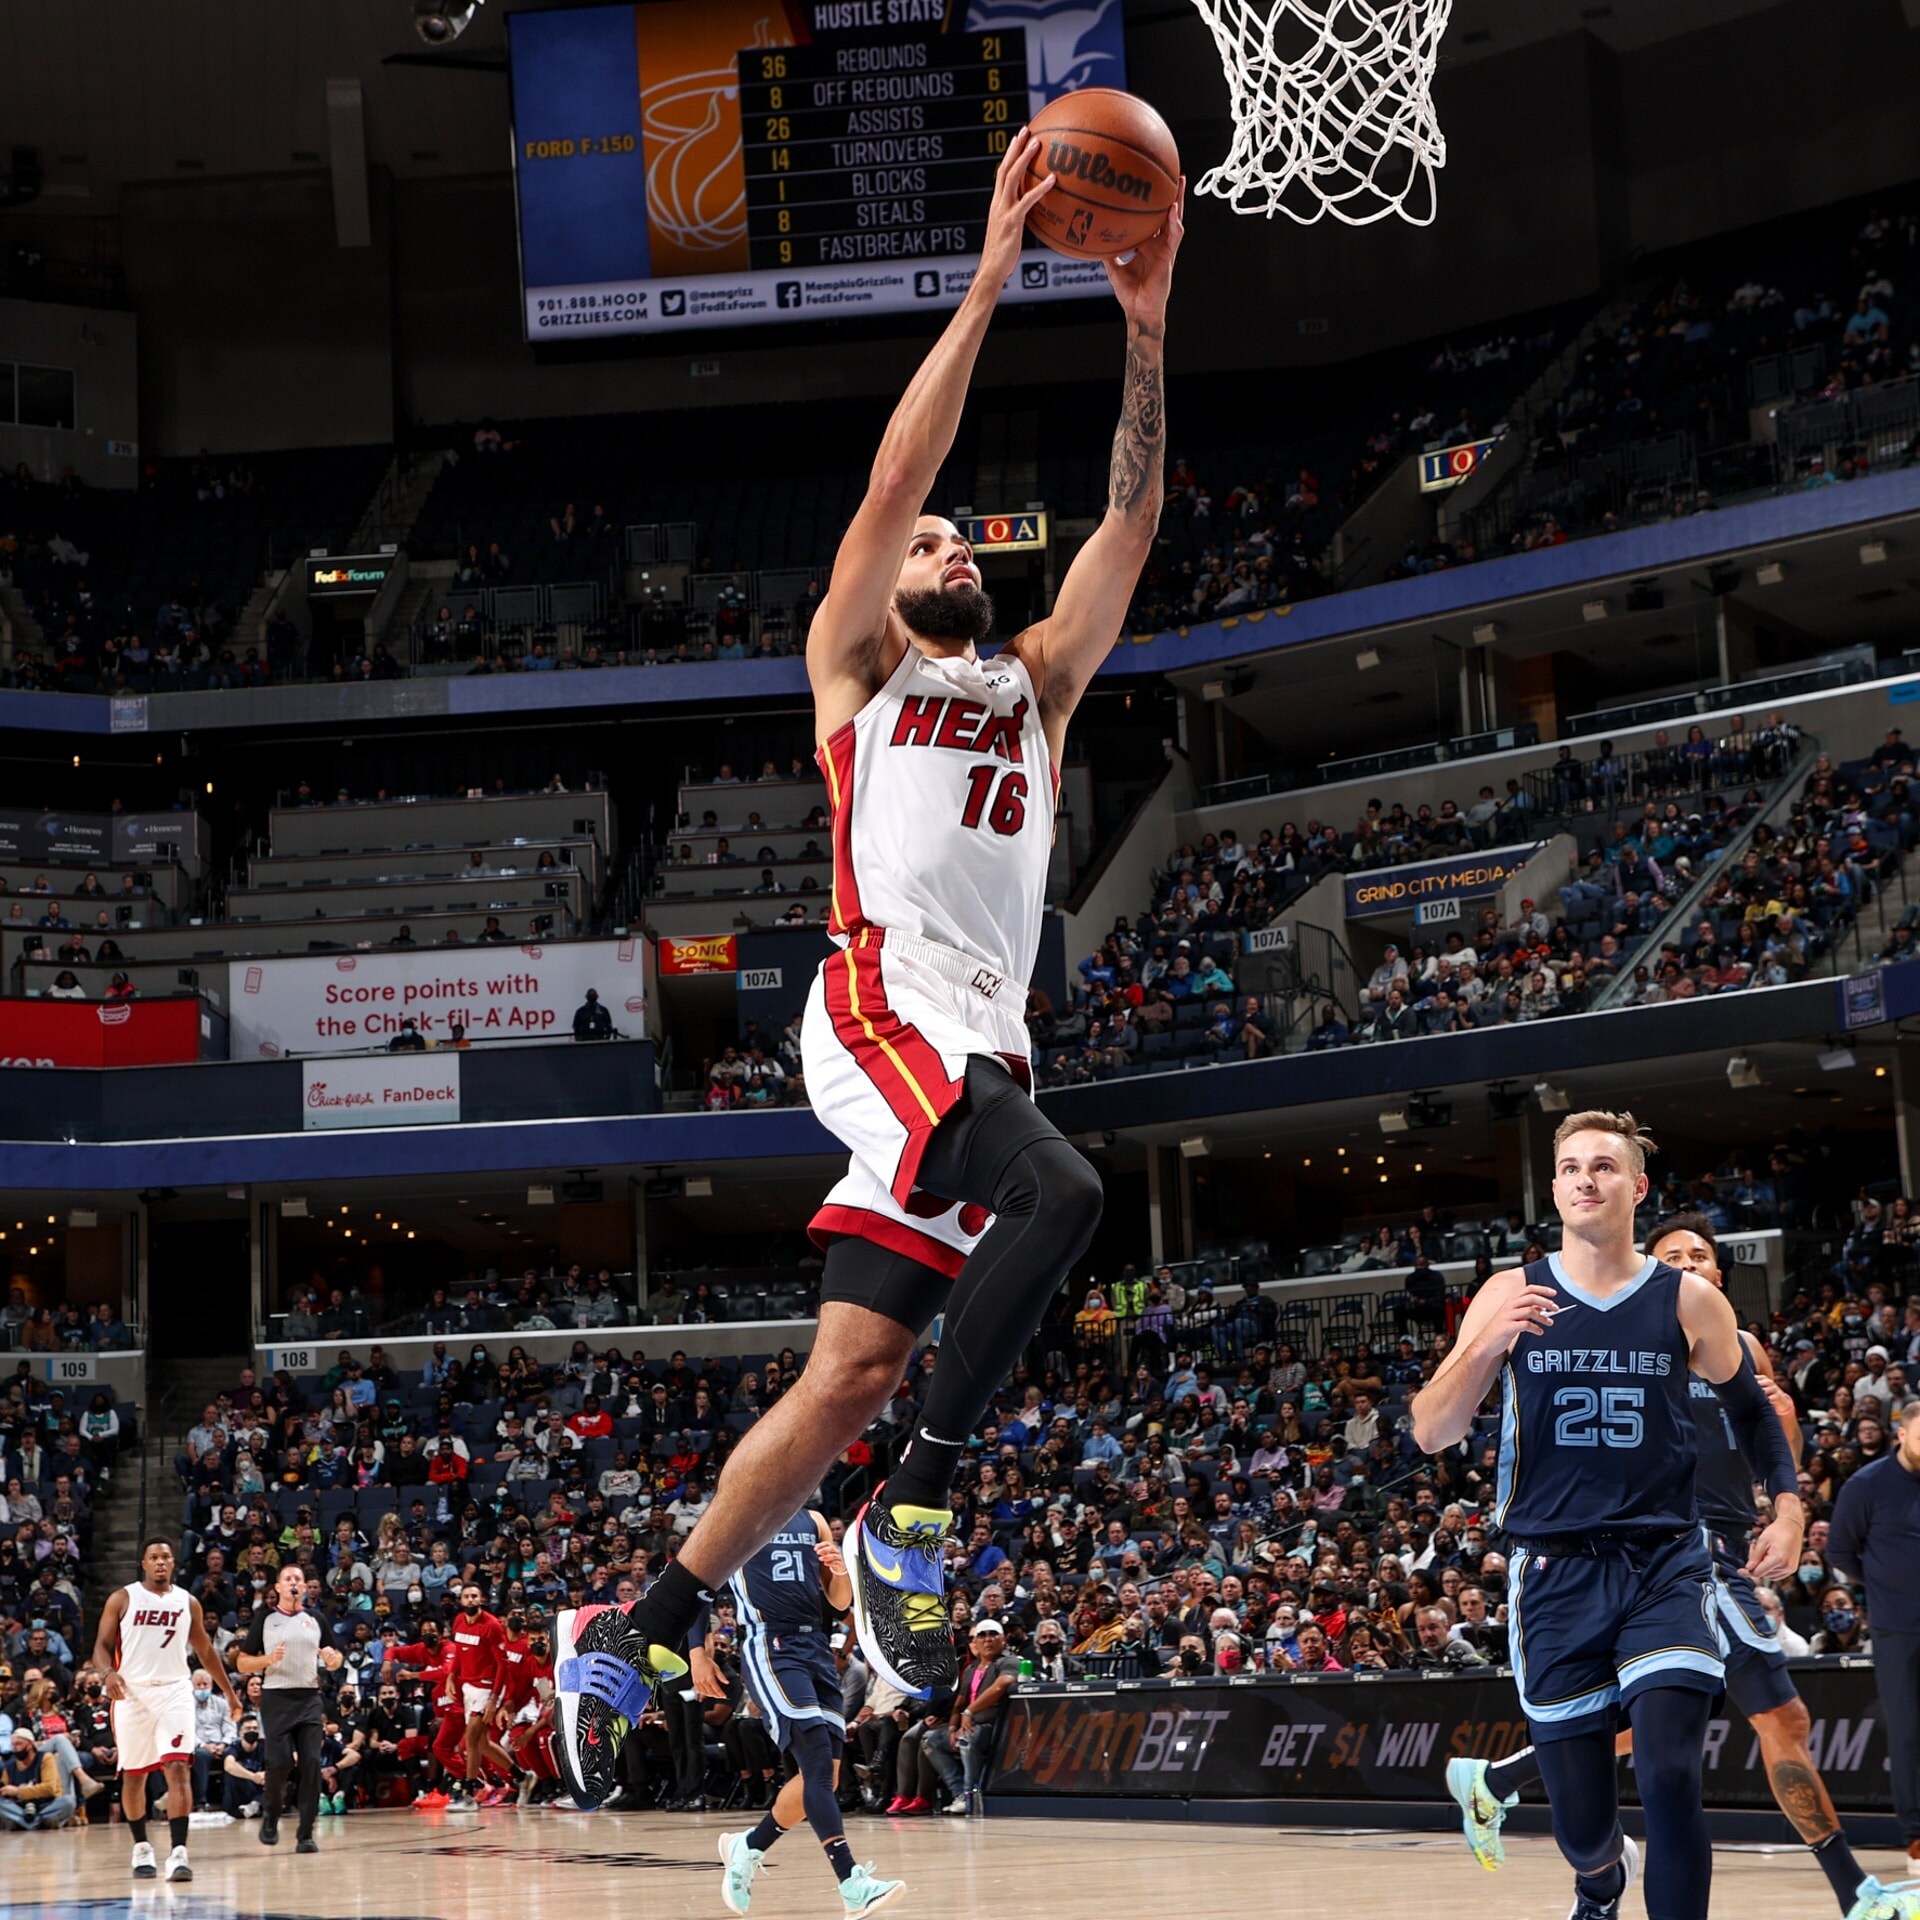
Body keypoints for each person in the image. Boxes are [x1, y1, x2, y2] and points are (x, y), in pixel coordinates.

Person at [554, 127, 1181, 1805]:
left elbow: (1129, 520)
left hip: (981, 1045)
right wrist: (988, 279)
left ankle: (644, 1617)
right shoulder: (857, 665)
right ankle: (912, 1504)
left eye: (971, 541)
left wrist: (1145, 311)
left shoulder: (1039, 685)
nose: (952, 543)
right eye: (931, 549)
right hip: (881, 1013)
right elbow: (896, 483)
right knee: (1065, 1203)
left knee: (850, 1368)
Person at [1413, 1112, 1802, 1920]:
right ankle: (1598, 1881)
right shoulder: (1511, 1291)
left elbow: (1757, 1413)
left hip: (1666, 1562)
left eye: (1604, 1166)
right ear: (1555, 1187)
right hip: (1553, 1574)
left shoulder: (1687, 1299)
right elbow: (1430, 1429)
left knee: (1668, 1776)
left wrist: (1790, 1506)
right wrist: (1487, 1347)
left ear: (1639, 1186)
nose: (1586, 1178)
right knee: (1584, 1828)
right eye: (1571, 1167)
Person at [1444, 1214, 1871, 1914]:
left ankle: (1853, 1888)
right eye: (1673, 1256)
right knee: (1610, 1799)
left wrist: (1787, 1497)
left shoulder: (1739, 1343)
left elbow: (1766, 1441)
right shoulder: (1627, 1319)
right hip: (1625, 1549)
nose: (1688, 1266)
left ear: (1719, 1273)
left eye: (1700, 1256)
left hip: (1693, 1557)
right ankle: (1563, 1836)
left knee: (1700, 1748)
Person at [705, 1508, 904, 1916]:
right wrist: (696, 1652)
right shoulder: (737, 1514)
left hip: (815, 1646)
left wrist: (839, 1571)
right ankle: (851, 1881)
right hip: (770, 1644)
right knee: (815, 1762)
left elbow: (838, 1600)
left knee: (824, 1777)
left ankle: (750, 1845)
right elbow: (694, 1586)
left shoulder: (812, 1519)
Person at [93, 1536, 244, 1882]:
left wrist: (231, 1695)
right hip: (132, 1694)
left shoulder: (187, 1602)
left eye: (166, 1557)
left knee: (178, 1767)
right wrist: (107, 1673)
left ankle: (179, 1852)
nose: (160, 1562)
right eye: (153, 1557)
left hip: (175, 1690)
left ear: (173, 1563)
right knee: (134, 1775)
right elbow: (100, 1647)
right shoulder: (123, 1598)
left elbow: (206, 1652)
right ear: (143, 1563)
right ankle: (141, 1847)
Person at [1830, 1397, 1920, 1887]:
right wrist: (1884, 1586)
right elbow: (1841, 1549)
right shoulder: (1867, 1485)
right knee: (1908, 1733)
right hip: (1897, 1627)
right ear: (1901, 1434)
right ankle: (1916, 1833)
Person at [233, 1564, 346, 1854]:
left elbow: (335, 1660)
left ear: (304, 1588)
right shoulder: (265, 1619)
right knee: (281, 1762)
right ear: (279, 1588)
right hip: (276, 1698)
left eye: (298, 1579)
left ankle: (305, 1833)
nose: (294, 1582)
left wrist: (333, 1659)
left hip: (308, 1697)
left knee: (310, 1762)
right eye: (288, 1579)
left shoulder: (316, 1618)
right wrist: (267, 1659)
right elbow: (242, 1662)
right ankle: (271, 1813)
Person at [446, 1581, 510, 1809]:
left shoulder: (492, 1625)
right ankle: (522, 1777)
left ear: (481, 1599)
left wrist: (494, 1699)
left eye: (475, 1596)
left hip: (487, 1686)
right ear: (461, 1601)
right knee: (482, 1743)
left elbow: (503, 1665)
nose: (471, 1600)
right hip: (468, 1687)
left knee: (470, 1739)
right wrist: (451, 1676)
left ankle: (468, 1792)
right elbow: (458, 1654)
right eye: (466, 1596)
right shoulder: (459, 1621)